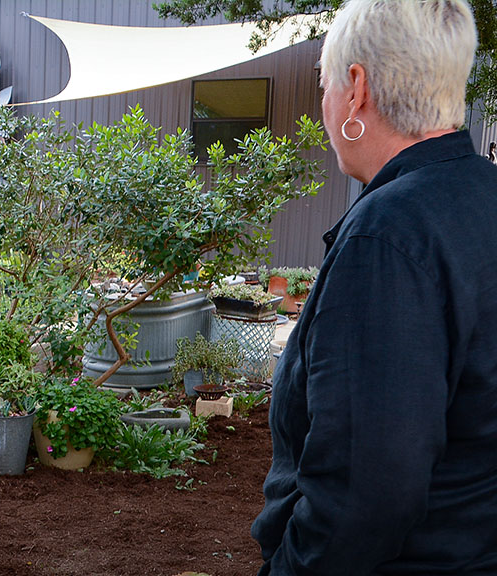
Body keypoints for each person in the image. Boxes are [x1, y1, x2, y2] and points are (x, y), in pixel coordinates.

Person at [252, 1, 497, 574]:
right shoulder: (483, 198)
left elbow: (365, 496)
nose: (325, 104)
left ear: (356, 89)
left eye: (324, 83)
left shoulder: (388, 236)